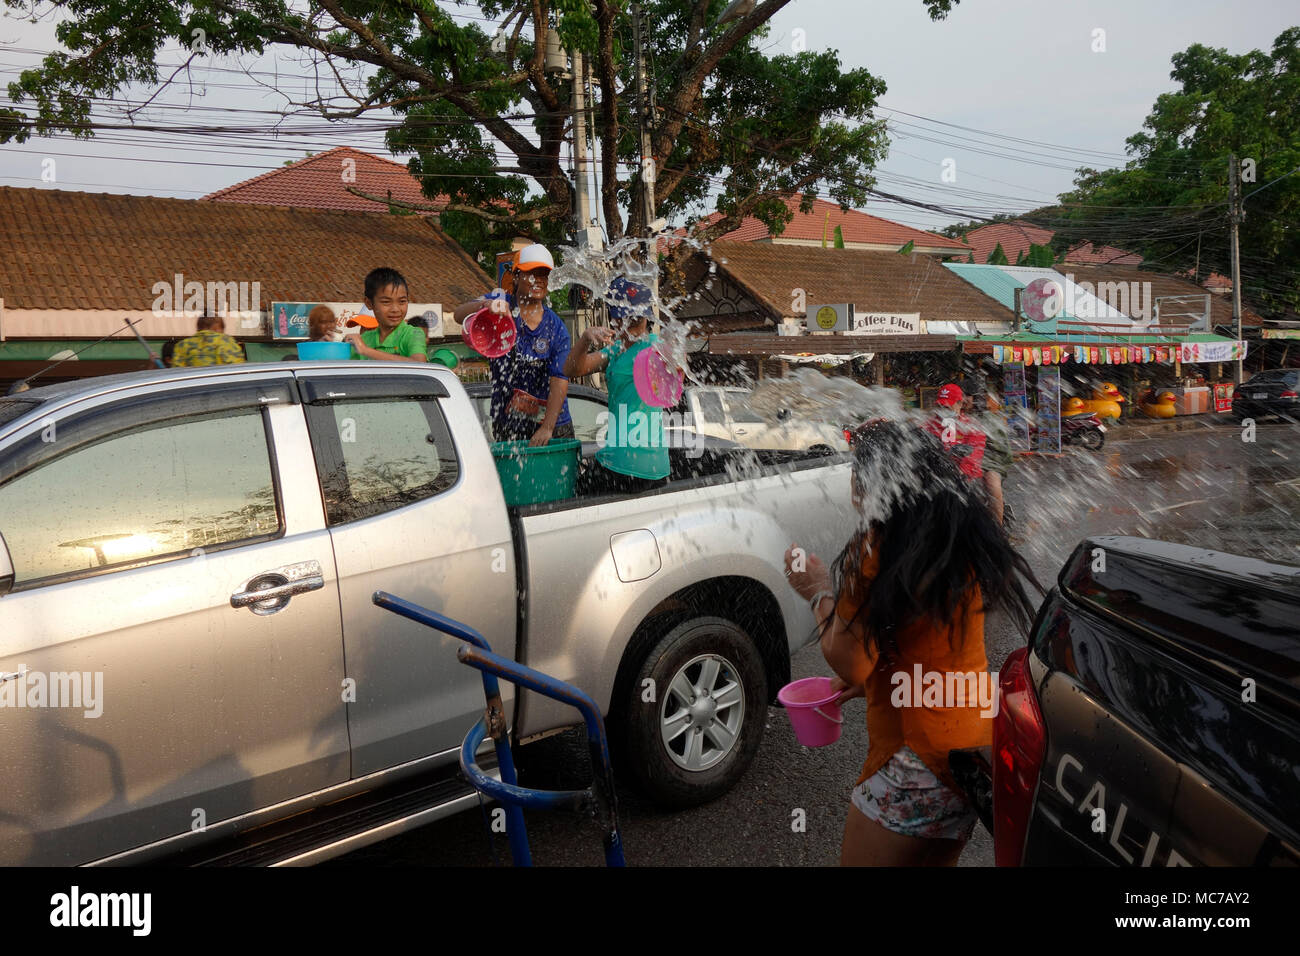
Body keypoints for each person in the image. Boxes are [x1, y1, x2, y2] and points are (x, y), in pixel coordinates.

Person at [783, 421, 1040, 866]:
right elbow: (931, 646)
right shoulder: (959, 533)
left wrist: (818, 590)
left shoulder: (877, 545)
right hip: (971, 757)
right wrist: (878, 683)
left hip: (912, 764)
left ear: (868, 483)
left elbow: (849, 660)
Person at [455, 244, 573, 446]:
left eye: (543, 275)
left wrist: (547, 428)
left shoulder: (556, 328)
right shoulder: (500, 304)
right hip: (509, 423)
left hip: (553, 425)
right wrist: (485, 306)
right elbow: (459, 314)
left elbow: (559, 379)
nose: (539, 281)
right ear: (516, 276)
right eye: (531, 274)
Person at [564, 277, 672, 495]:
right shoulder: (615, 350)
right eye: (626, 318)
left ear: (646, 318)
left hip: (625, 462)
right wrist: (586, 338)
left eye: (636, 319)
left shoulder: (655, 347)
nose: (631, 325)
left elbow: (676, 365)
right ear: (614, 317)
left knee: (574, 501)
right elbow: (571, 370)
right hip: (654, 465)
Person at [345, 268, 428, 363]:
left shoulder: (413, 334)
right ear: (369, 303)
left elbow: (419, 364)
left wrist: (366, 351)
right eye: (386, 302)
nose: (395, 309)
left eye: (402, 301)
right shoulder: (364, 339)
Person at [924, 383, 986, 481]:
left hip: (964, 477)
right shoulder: (930, 423)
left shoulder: (972, 427)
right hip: (935, 475)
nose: (943, 410)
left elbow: (973, 456)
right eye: (941, 406)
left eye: (948, 407)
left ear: (960, 404)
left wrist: (959, 474)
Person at [171, 315, 246, 367]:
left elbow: (176, 373)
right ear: (216, 327)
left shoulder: (181, 346)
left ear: (198, 328)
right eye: (222, 329)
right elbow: (238, 371)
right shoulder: (225, 341)